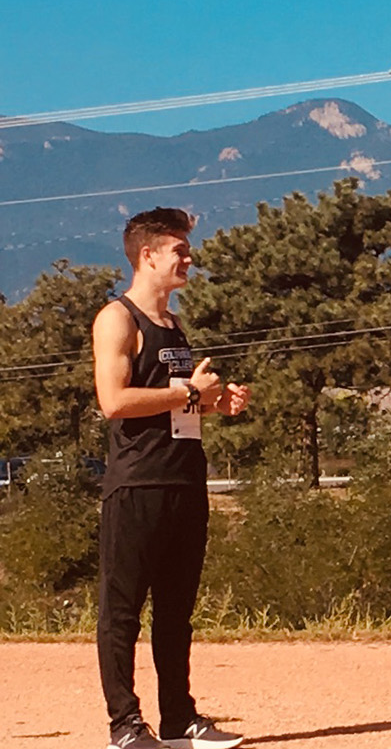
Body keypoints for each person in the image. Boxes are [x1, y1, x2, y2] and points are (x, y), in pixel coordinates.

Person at [91, 208, 250, 749]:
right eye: (178, 249)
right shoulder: (117, 318)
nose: (188, 258)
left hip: (185, 480)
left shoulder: (174, 324)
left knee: (176, 610)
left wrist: (214, 404)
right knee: (122, 613)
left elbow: (175, 406)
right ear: (148, 255)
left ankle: (180, 720)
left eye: (187, 248)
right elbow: (114, 402)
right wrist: (188, 394)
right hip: (137, 485)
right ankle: (125, 727)